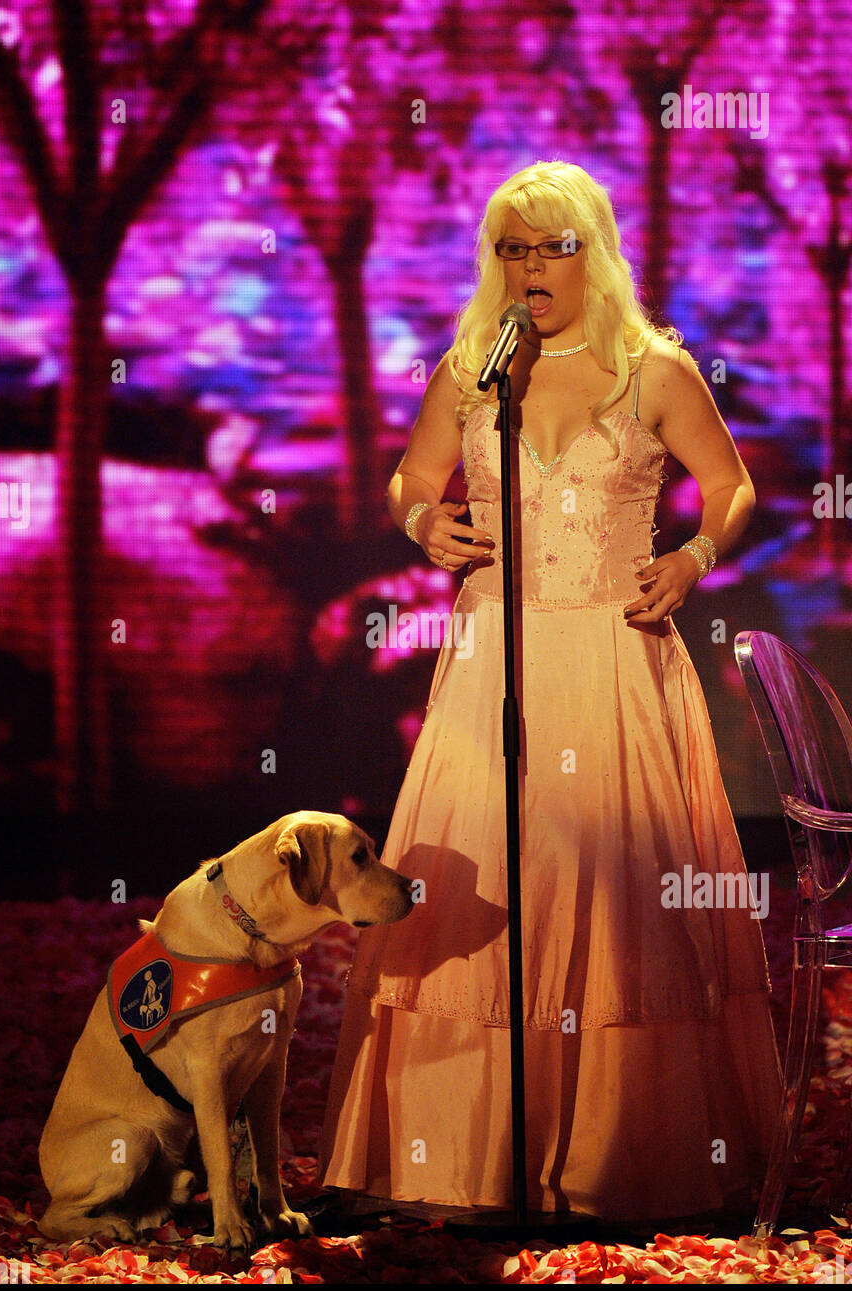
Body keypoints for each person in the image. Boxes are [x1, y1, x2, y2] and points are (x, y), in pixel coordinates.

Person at [316, 159, 783, 1227]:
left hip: (613, 662)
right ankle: (469, 1155)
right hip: (493, 658)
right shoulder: (476, 366)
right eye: (513, 248)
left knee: (611, 901)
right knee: (486, 898)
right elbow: (409, 478)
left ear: (593, 252)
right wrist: (422, 524)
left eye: (551, 246)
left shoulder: (651, 369)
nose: (531, 267)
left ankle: (614, 1156)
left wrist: (696, 556)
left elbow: (733, 481)